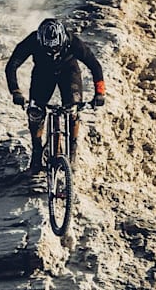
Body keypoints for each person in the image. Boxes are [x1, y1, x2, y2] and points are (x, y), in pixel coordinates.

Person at [6, 18, 106, 174]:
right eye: (48, 49)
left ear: (63, 40)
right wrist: (15, 91)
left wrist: (100, 93)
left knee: (73, 109)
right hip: (43, 74)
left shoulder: (73, 41)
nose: (53, 52)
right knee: (35, 112)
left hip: (69, 72)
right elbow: (12, 65)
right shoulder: (32, 40)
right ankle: (37, 154)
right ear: (40, 41)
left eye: (57, 48)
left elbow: (94, 65)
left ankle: (72, 152)